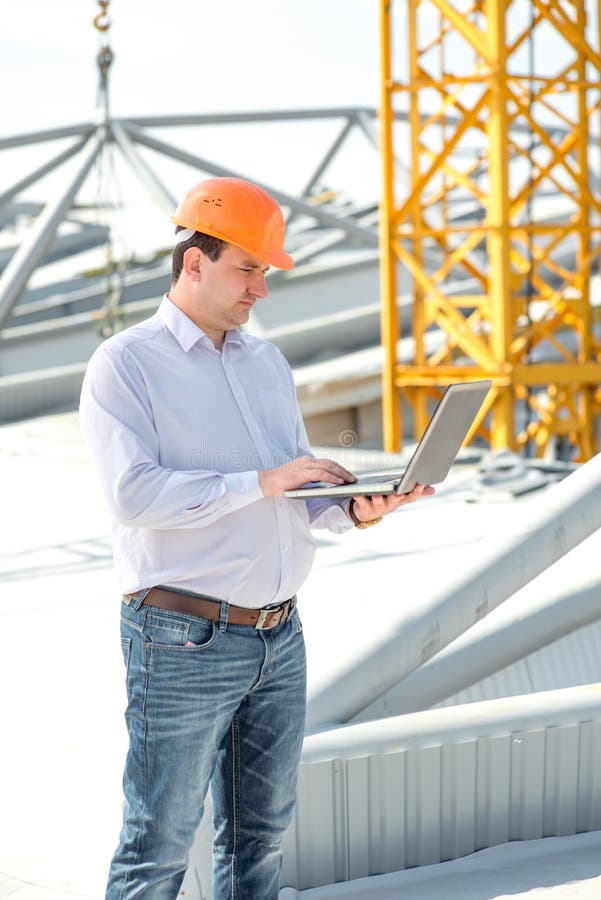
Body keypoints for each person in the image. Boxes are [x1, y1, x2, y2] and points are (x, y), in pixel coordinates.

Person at [79, 176, 433, 899]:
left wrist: (352, 509)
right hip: (180, 639)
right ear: (193, 262)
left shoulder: (265, 364)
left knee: (258, 845)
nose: (260, 291)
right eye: (248, 268)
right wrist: (262, 481)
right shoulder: (125, 364)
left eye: (265, 273)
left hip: (280, 637)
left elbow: (291, 494)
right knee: (157, 847)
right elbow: (133, 494)